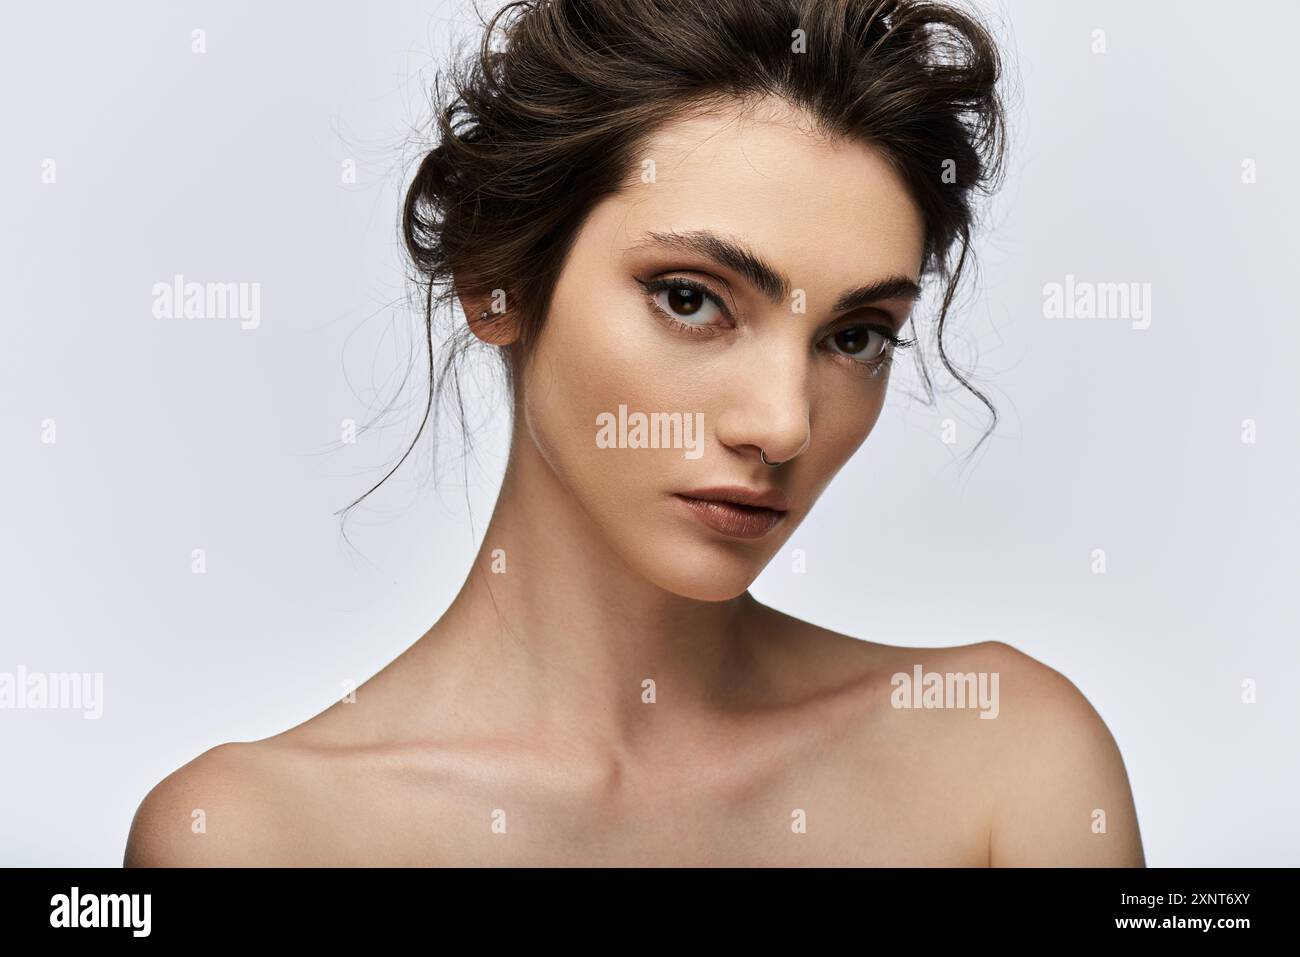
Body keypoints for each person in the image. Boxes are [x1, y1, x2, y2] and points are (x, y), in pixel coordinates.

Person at [125, 0, 1144, 866]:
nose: (782, 423)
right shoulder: (258, 839)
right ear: (496, 278)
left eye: (853, 335)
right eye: (692, 299)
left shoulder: (1004, 764)